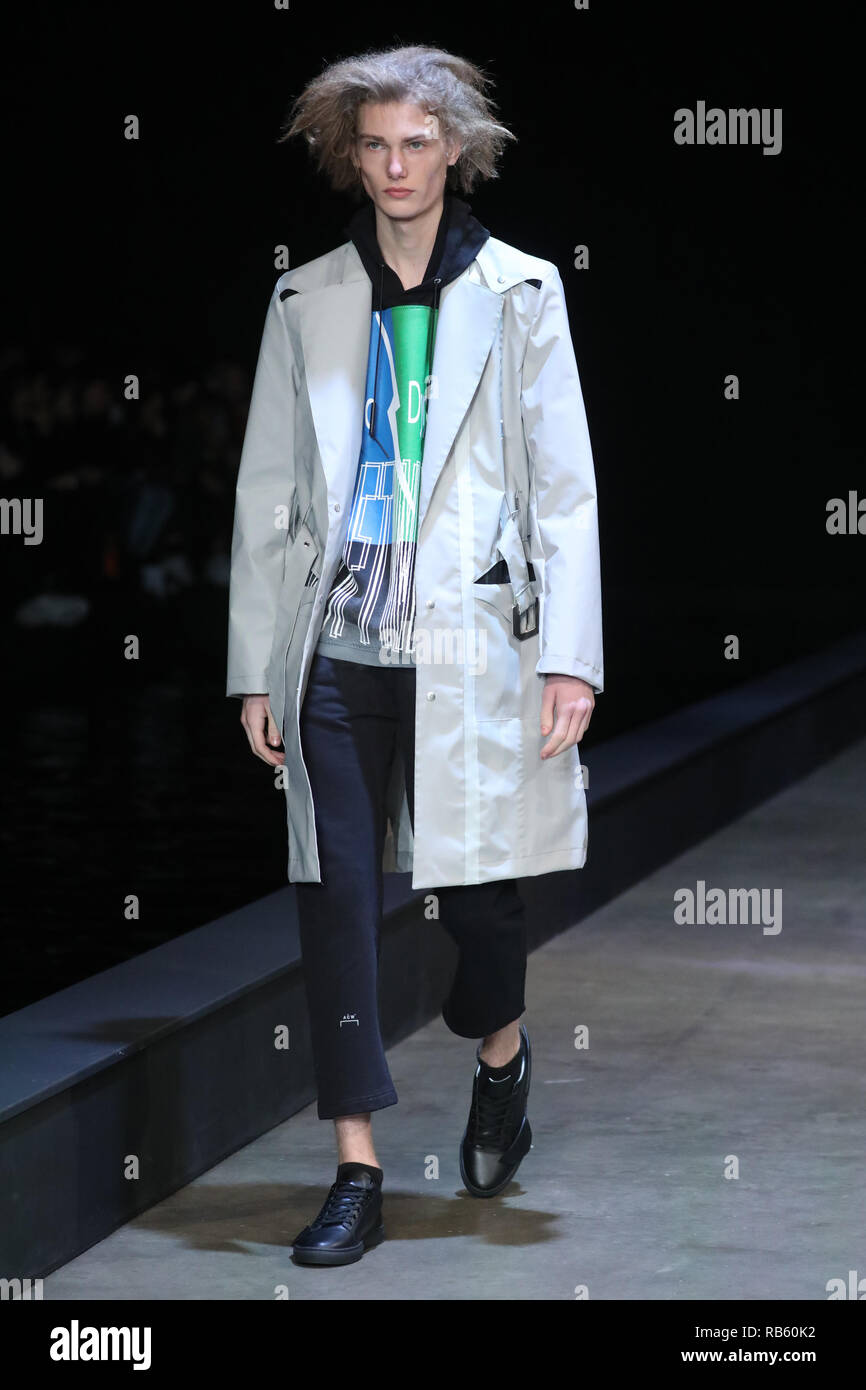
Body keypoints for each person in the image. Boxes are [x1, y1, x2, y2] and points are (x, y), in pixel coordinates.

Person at [226, 43, 603, 1266]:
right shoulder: (305, 299)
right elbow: (268, 495)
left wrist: (572, 661)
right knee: (334, 902)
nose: (394, 166)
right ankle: (356, 1168)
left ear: (455, 150)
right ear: (353, 155)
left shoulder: (523, 290)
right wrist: (251, 667)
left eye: (416, 143)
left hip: (467, 643)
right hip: (335, 645)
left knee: (481, 902)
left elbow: (566, 494)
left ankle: (497, 1045)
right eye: (374, 145)